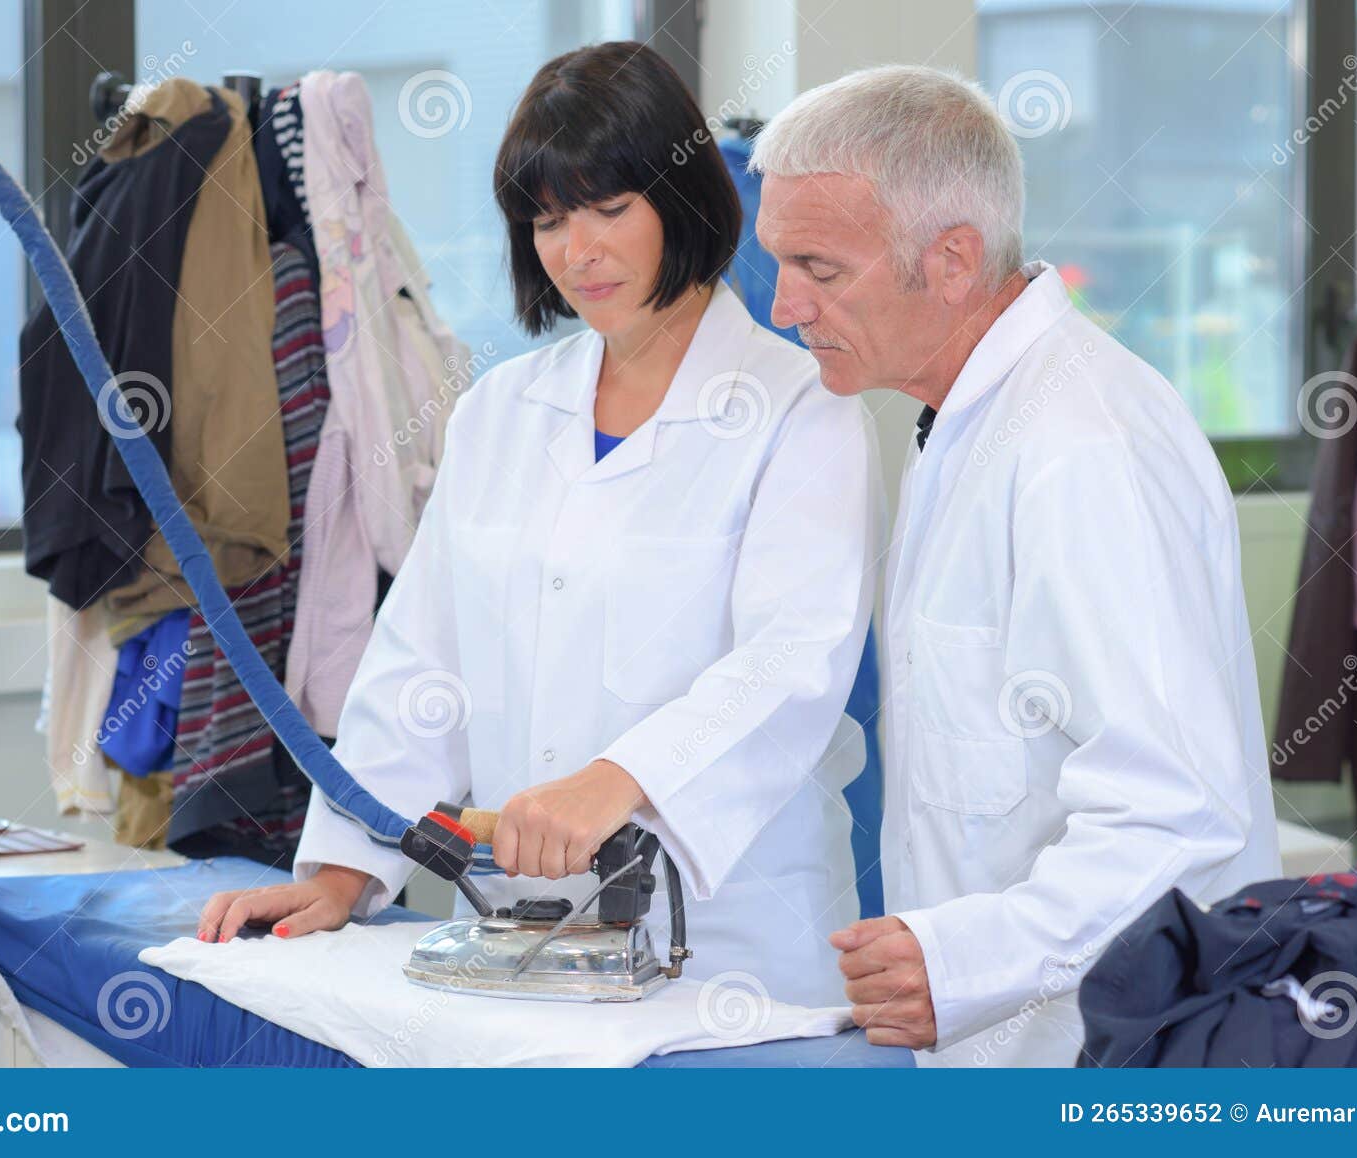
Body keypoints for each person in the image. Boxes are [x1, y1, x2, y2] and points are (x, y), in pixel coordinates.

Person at [197, 42, 883, 1006]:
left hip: (730, 950)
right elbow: (420, 663)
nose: (578, 250)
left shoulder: (802, 412)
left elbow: (789, 664)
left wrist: (616, 781)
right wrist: (341, 872)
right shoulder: (501, 410)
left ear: (683, 201)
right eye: (549, 219)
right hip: (513, 936)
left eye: (610, 208)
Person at [750, 65, 1280, 1063]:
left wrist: (962, 960)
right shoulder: (960, 425)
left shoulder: (1081, 449)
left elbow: (1177, 810)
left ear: (951, 259)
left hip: (1106, 1053)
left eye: (819, 270)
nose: (785, 308)